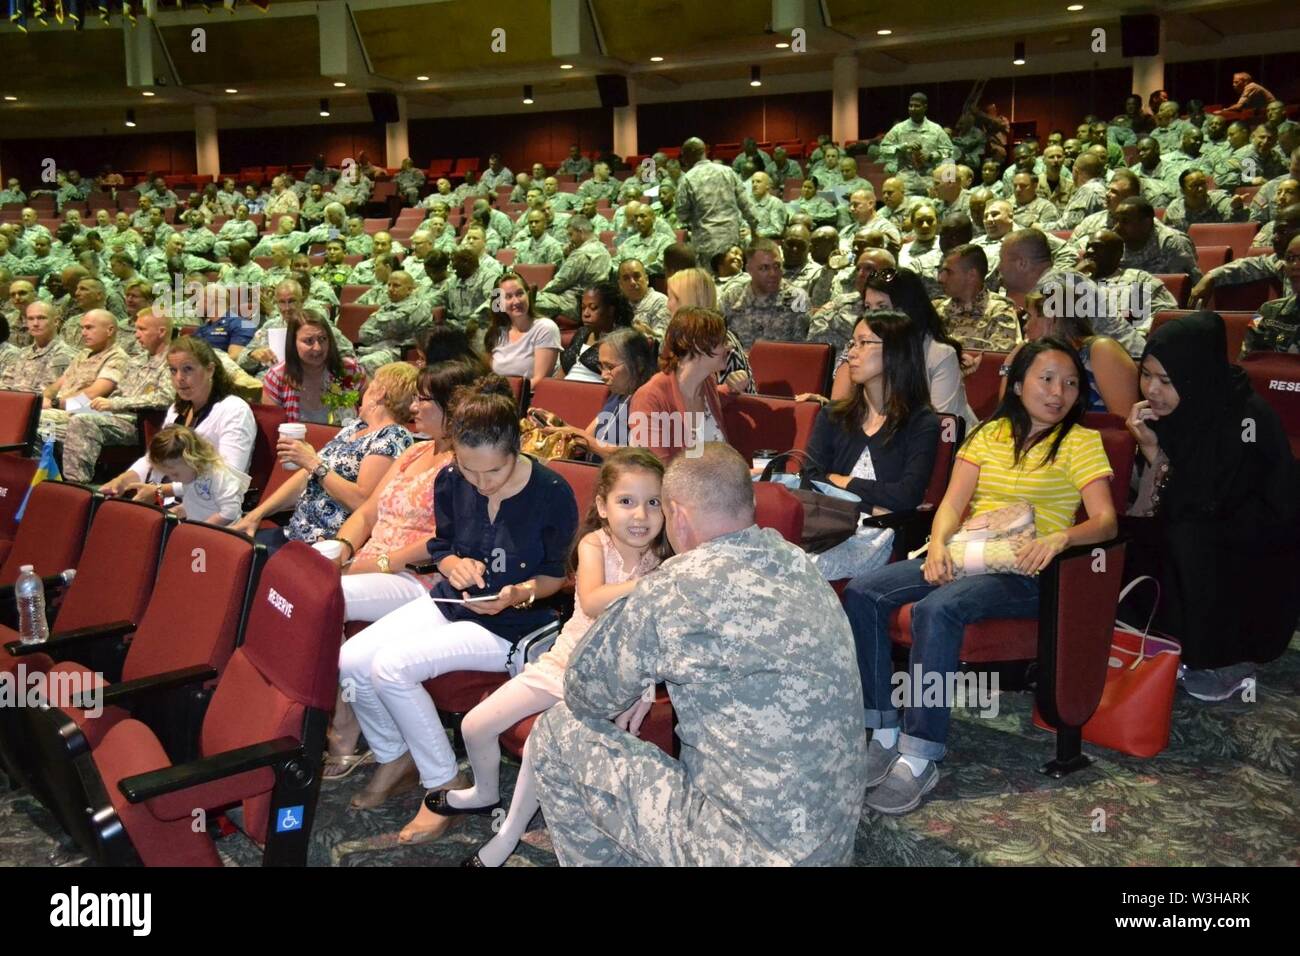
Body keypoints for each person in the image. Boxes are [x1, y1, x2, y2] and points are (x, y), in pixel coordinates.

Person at [532, 442, 867, 865]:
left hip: (740, 852)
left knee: (558, 730)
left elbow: (584, 691)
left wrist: (638, 675)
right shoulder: (800, 564)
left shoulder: (675, 588)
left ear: (679, 516)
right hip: (831, 847)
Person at [842, 339, 1118, 814]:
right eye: (1047, 379)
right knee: (864, 591)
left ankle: (920, 755)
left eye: (1071, 383)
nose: (1059, 392)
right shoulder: (987, 435)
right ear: (1017, 383)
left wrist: (1060, 539)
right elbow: (951, 504)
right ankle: (885, 731)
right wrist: (940, 549)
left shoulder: (1081, 442)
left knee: (938, 608)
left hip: (1030, 572)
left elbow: (1107, 521)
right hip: (971, 555)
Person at [337, 380, 580, 840]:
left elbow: (556, 578)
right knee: (350, 659)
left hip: (515, 623)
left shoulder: (551, 491)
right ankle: (395, 754)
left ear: (516, 449)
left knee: (391, 667)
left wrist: (515, 593)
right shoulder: (452, 478)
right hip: (452, 599)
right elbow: (442, 546)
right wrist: (454, 563)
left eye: (494, 472)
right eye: (470, 470)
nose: (481, 483)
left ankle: (444, 782)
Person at [421, 449, 672, 863]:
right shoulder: (596, 543)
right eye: (626, 501)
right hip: (563, 660)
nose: (640, 515)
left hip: (609, 679)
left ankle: (508, 835)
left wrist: (643, 688)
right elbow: (591, 601)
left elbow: (658, 640)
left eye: (653, 502)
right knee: (476, 725)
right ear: (603, 507)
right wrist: (659, 585)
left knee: (543, 743)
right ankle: (485, 792)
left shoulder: (665, 560)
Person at [1124, 311, 1300, 701]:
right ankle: (1162, 634)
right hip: (1203, 525)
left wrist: (1156, 455)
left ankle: (1221, 656)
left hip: (1256, 548)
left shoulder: (1246, 419)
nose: (1151, 390)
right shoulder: (1171, 413)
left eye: (1166, 381)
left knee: (1187, 535)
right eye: (1146, 374)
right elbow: (1155, 500)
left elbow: (1207, 503)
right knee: (1130, 529)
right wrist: (1151, 453)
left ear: (1195, 374)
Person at [233, 363, 416, 555]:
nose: (364, 393)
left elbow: (361, 502)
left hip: (325, 546)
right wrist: (256, 514)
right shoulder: (356, 427)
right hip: (295, 532)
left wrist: (314, 463)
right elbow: (306, 476)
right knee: (233, 546)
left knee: (241, 558)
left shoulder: (392, 436)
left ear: (379, 393)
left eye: (370, 387)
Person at [804, 309, 941, 516]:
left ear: (896, 350)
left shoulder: (921, 422)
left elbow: (907, 495)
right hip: (828, 525)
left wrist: (840, 480)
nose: (851, 353)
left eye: (864, 343)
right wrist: (870, 507)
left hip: (883, 536)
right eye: (852, 343)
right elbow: (809, 480)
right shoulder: (833, 415)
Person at [99, 337, 256, 504]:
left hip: (205, 507)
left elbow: (229, 478)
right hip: (162, 499)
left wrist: (162, 491)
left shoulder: (234, 409)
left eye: (188, 369)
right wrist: (121, 482)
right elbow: (153, 459)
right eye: (173, 370)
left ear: (210, 370)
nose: (179, 378)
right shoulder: (177, 408)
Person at [829, 269, 974, 428]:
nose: (872, 316)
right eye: (868, 307)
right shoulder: (858, 346)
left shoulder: (939, 354)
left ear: (906, 308)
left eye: (882, 307)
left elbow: (940, 426)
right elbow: (837, 412)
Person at [1008, 271, 1139, 417]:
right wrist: (1014, 357)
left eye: (1029, 317)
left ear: (1051, 318)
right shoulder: (1039, 357)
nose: (1026, 326)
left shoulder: (1101, 350)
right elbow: (1009, 412)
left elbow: (1125, 424)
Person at [628, 307, 746, 464]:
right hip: (681, 486)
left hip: (720, 481)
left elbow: (718, 399)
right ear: (698, 346)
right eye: (723, 341)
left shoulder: (707, 383)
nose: (730, 346)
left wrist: (733, 387)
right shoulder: (649, 398)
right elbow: (656, 469)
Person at [541, 327, 657, 460]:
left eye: (610, 367)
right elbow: (587, 436)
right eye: (601, 366)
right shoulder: (617, 394)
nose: (603, 375)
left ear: (638, 364)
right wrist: (556, 425)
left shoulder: (649, 402)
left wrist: (584, 440)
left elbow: (639, 456)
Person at [261, 314, 366, 424]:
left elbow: (376, 410)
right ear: (293, 343)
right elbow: (272, 429)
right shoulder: (277, 377)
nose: (317, 348)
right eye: (309, 341)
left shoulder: (350, 370)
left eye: (323, 339)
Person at [676, 138, 757, 269]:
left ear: (688, 155)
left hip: (705, 243)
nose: (683, 160)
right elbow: (747, 205)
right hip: (731, 241)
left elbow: (682, 215)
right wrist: (754, 233)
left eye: (684, 156)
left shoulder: (687, 179)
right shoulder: (728, 172)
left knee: (709, 285)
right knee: (734, 281)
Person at [145, 425, 249, 526]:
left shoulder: (219, 477)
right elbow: (192, 495)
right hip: (197, 527)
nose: (172, 479)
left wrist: (202, 528)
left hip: (224, 533)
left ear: (192, 461)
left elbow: (230, 512)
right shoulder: (191, 475)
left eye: (175, 474)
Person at [485, 272, 561, 390]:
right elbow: (488, 377)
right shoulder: (496, 333)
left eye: (520, 294)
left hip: (528, 400)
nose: (516, 301)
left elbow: (539, 381)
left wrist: (507, 396)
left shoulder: (545, 328)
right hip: (499, 399)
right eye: (508, 297)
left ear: (528, 295)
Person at [558, 281, 632, 384]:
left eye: (593, 308)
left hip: (596, 395)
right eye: (583, 308)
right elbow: (563, 372)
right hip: (565, 392)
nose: (586, 314)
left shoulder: (621, 339)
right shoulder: (581, 332)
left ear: (610, 311)